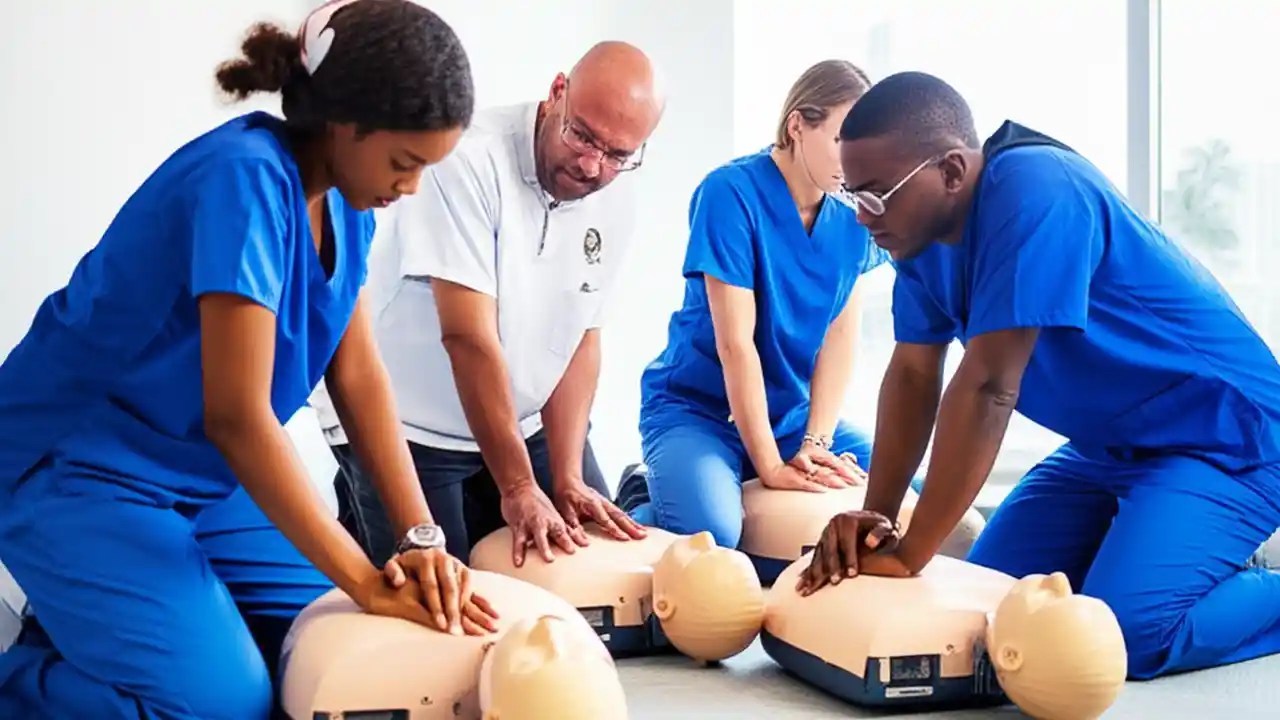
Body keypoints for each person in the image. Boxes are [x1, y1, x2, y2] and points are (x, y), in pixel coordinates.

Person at [0, 2, 500, 718]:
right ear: (345, 123)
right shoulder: (244, 179)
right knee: (224, 705)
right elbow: (237, 417)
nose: (411, 188)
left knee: (320, 640)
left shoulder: (349, 203)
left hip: (195, 473)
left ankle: (90, 625)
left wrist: (422, 539)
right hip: (76, 469)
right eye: (404, 163)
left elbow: (357, 376)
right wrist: (364, 577)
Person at [797, 71, 1280, 681]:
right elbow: (915, 377)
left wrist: (913, 552)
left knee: (1120, 636)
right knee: (991, 598)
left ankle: (1233, 572)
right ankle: (1171, 554)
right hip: (1108, 449)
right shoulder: (917, 242)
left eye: (876, 196)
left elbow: (988, 387)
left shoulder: (1037, 190)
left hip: (1228, 439)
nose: (864, 218)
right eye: (853, 196)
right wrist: (880, 519)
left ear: (950, 171)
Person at [309, 41, 665, 569]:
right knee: (444, 593)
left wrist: (563, 476)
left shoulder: (614, 190)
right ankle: (363, 521)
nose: (592, 164)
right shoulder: (468, 159)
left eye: (616, 154)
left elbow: (581, 334)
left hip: (522, 422)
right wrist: (519, 485)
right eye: (582, 135)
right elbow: (468, 337)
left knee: (595, 570)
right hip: (407, 421)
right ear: (557, 92)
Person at [615, 60, 896, 562]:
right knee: (716, 535)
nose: (852, 162)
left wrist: (816, 441)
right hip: (698, 410)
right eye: (840, 139)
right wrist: (769, 466)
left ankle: (704, 497)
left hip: (789, 415)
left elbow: (839, 341)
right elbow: (735, 345)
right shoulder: (730, 194)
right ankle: (645, 498)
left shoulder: (853, 215)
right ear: (797, 125)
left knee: (899, 493)